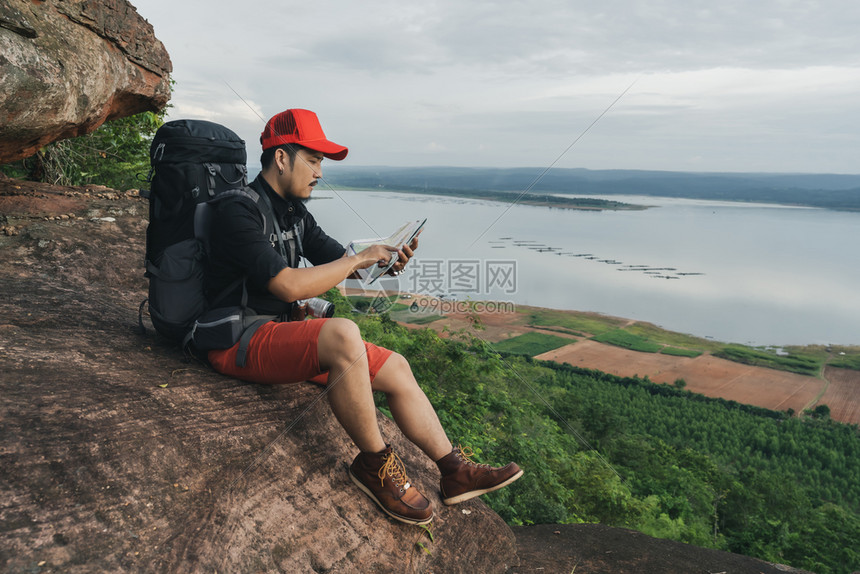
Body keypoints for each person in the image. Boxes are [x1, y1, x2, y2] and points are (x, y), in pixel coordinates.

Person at [203, 108, 522, 525]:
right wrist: (359, 258)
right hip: (236, 341)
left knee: (397, 367)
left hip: (279, 334)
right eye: (313, 160)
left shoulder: (294, 212)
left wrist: (385, 260)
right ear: (281, 158)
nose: (320, 172)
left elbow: (343, 263)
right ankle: (374, 464)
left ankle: (455, 473)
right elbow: (287, 286)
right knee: (343, 333)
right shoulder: (238, 210)